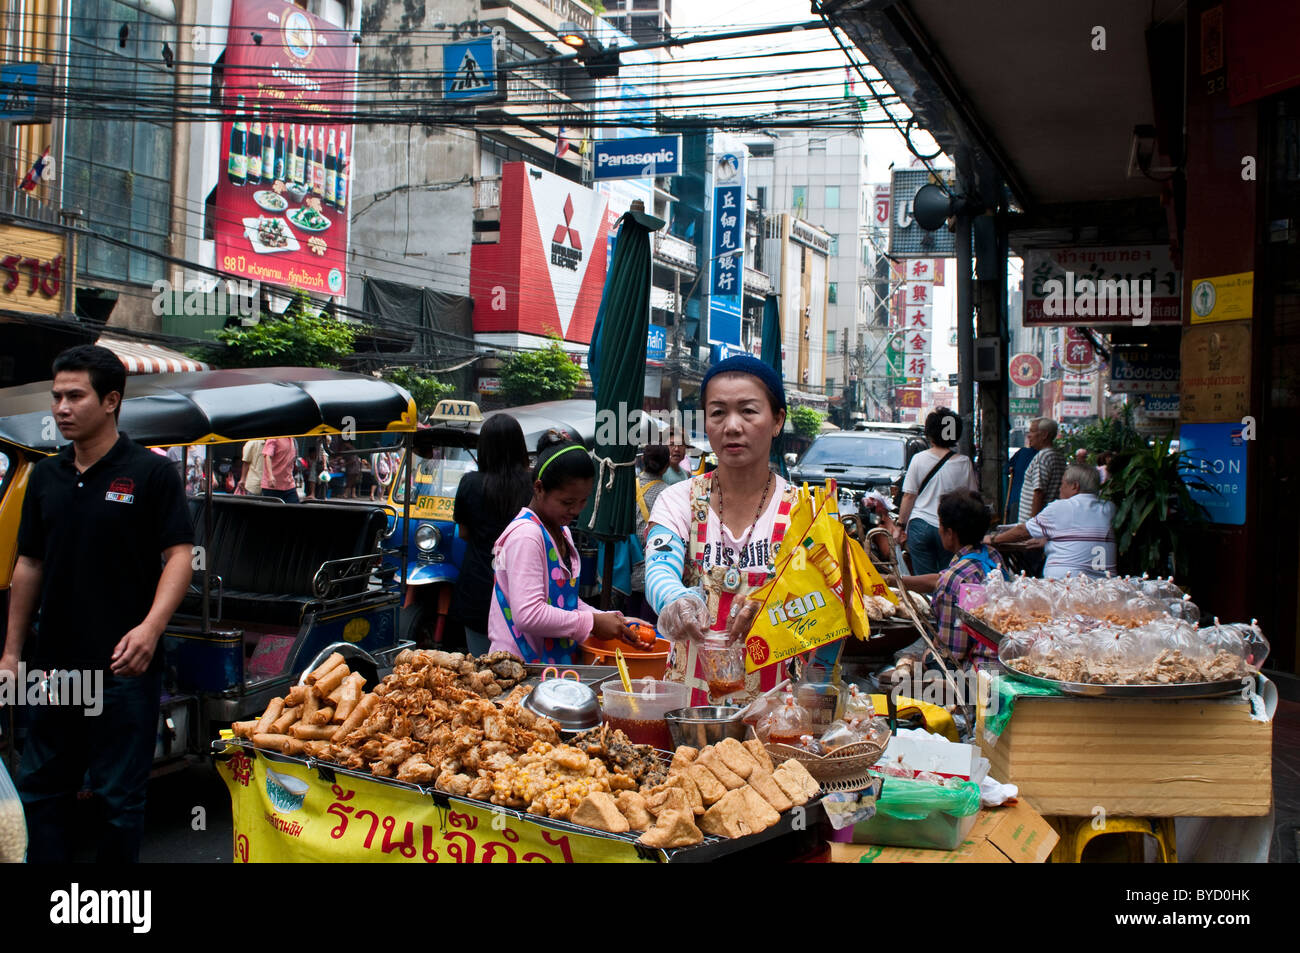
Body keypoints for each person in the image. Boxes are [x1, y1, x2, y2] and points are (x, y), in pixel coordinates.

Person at [2, 345, 193, 862]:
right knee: (42, 790)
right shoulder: (45, 477)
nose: (61, 407)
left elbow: (179, 556)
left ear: (110, 400)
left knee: (117, 801)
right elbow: (30, 565)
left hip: (124, 669)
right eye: (57, 396)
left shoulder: (151, 475)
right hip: (55, 668)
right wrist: (11, 652)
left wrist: (151, 629)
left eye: (75, 396)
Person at [645, 355, 796, 706]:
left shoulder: (804, 511)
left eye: (748, 411)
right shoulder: (677, 499)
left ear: (777, 420)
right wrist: (676, 600)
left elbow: (824, 603)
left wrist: (773, 609)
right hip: (687, 711)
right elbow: (659, 567)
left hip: (776, 714)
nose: (731, 426)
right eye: (717, 412)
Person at [487, 440, 639, 663]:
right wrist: (593, 623)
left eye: (583, 501)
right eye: (567, 501)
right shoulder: (527, 536)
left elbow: (564, 602)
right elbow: (529, 615)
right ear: (539, 488)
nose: (576, 510)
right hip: (517, 666)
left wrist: (611, 620)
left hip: (547, 667)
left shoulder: (561, 532)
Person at [450, 414, 533, 657]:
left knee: (481, 672)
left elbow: (463, 532)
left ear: (483, 448)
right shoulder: (533, 485)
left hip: (478, 587)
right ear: (520, 446)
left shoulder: (470, 483)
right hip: (523, 589)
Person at [897, 490, 1007, 669]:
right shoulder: (993, 556)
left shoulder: (953, 580)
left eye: (940, 524)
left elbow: (951, 654)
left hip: (974, 672)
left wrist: (925, 657)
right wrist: (894, 580)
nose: (939, 529)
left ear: (950, 533)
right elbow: (941, 579)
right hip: (1002, 657)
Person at [989, 464, 1116, 579]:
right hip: (1105, 583)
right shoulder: (1110, 508)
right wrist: (1050, 539)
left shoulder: (1061, 507)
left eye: (1062, 484)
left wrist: (992, 539)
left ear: (1075, 486)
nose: (1060, 489)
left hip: (1066, 584)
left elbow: (1023, 531)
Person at [894, 408, 979, 575]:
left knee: (924, 581)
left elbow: (909, 496)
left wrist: (900, 526)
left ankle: (926, 601)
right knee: (948, 576)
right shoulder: (964, 462)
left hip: (920, 526)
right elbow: (972, 498)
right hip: (950, 529)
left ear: (930, 434)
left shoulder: (919, 459)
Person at [630, 443, 671, 621]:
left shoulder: (630, 486)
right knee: (648, 621)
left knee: (630, 615)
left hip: (630, 558)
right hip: (652, 561)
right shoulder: (667, 492)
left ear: (643, 461)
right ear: (666, 466)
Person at [1018, 417, 1066, 522]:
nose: (1028, 435)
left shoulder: (1043, 457)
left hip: (1036, 525)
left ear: (1044, 435)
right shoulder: (1059, 456)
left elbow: (1039, 492)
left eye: (1032, 431)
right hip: (1050, 520)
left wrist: (1032, 524)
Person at [1005, 441, 1039, 525]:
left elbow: (1006, 469)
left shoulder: (1022, 452)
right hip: (1033, 500)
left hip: (1018, 498)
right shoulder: (1024, 453)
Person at [261, 436, 299, 503]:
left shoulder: (292, 439)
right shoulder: (274, 437)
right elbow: (268, 456)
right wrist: (270, 476)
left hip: (289, 484)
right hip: (272, 486)